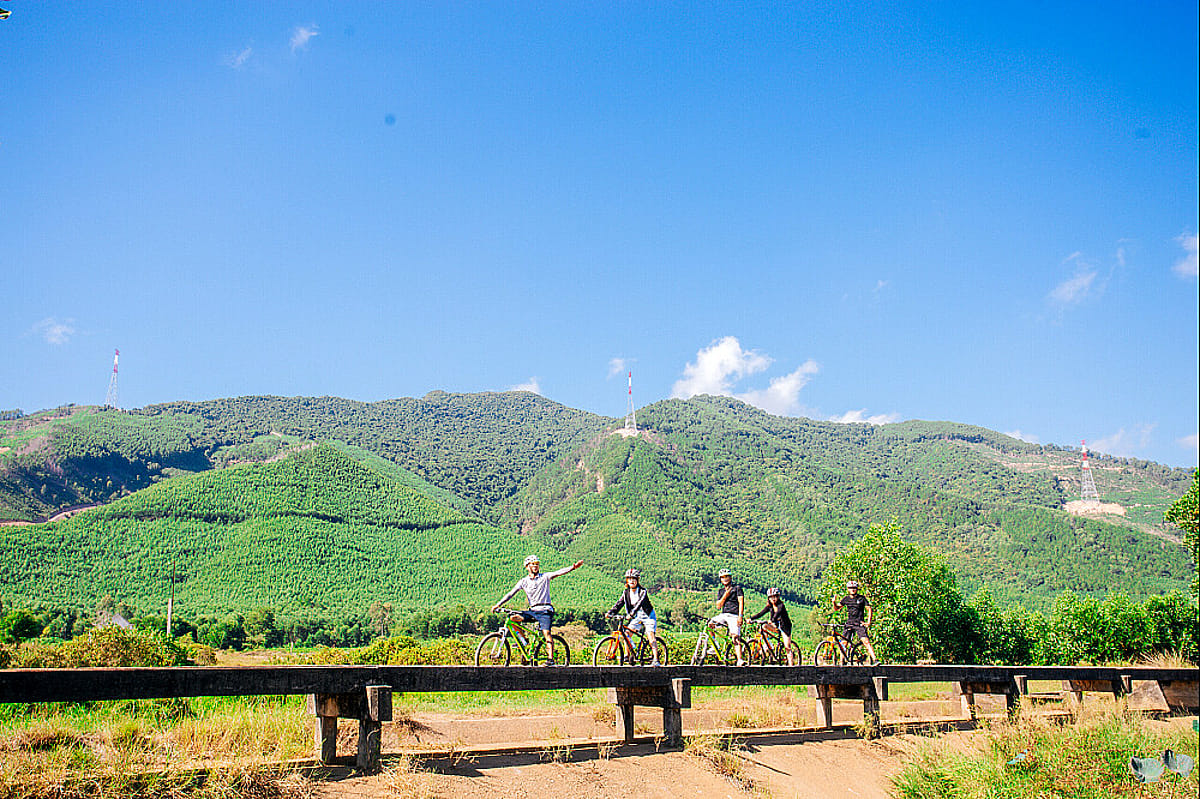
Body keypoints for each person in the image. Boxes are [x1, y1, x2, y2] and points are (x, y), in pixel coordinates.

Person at [491, 554, 583, 665]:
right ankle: (524, 641)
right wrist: (498, 605)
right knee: (513, 618)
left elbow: (559, 572)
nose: (535, 566)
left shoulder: (545, 577)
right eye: (533, 564)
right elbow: (510, 594)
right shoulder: (524, 581)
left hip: (545, 610)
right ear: (527, 566)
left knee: (546, 633)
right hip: (533, 611)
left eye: (537, 564)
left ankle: (550, 659)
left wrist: (573, 567)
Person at [606, 568, 661, 666]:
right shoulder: (626, 592)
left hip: (648, 616)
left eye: (634, 579)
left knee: (650, 635)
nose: (632, 581)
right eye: (629, 579)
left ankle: (656, 659)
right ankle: (628, 656)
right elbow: (619, 604)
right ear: (627, 580)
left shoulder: (642, 591)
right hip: (637, 617)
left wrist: (631, 614)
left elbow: (638, 604)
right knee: (627, 633)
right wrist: (610, 612)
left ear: (637, 580)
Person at [833, 580, 879, 665]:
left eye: (854, 588)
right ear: (848, 589)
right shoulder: (846, 599)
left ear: (857, 589)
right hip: (849, 623)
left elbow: (869, 609)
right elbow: (836, 608)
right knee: (844, 643)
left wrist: (868, 622)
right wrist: (833, 602)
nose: (852, 589)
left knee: (865, 641)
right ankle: (842, 661)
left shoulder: (861, 598)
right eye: (850, 588)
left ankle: (875, 659)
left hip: (859, 623)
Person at [749, 587, 795, 665]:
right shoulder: (769, 606)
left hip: (785, 627)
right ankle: (768, 645)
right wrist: (751, 619)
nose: (773, 599)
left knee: (787, 646)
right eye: (771, 597)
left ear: (778, 597)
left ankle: (791, 665)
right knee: (763, 627)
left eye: (775, 596)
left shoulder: (781, 605)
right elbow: (761, 613)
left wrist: (771, 620)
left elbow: (777, 614)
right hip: (776, 626)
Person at [711, 568, 747, 666]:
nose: (725, 579)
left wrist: (740, 616)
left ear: (730, 577)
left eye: (726, 577)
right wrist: (726, 594)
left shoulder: (737, 588)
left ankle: (739, 659)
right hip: (724, 614)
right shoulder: (721, 591)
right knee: (710, 624)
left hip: (734, 615)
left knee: (735, 637)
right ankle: (714, 646)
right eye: (722, 577)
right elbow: (718, 606)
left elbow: (741, 602)